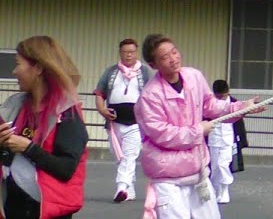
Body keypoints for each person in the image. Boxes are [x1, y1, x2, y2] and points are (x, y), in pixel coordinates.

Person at [135, 33, 263, 219]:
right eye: (165, 57)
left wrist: (241, 107)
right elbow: (162, 134)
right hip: (168, 177)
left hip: (198, 172)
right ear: (153, 65)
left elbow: (211, 106)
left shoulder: (193, 77)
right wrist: (198, 131)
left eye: (174, 52)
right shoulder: (149, 96)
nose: (173, 59)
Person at [0, 36, 88, 219]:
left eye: (18, 64)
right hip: (13, 208)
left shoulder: (67, 114)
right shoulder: (14, 108)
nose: (14, 71)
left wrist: (28, 148)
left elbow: (65, 170)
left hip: (47, 212)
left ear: (38, 68)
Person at [94, 37, 153, 203]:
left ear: (136, 53)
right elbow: (100, 94)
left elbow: (154, 94)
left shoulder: (146, 72)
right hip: (114, 122)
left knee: (129, 155)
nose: (128, 55)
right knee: (119, 155)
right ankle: (130, 188)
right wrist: (102, 110)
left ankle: (121, 187)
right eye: (125, 52)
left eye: (132, 52)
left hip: (135, 122)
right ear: (120, 53)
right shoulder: (111, 71)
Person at [208, 80, 247, 206]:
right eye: (217, 96)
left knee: (223, 164)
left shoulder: (234, 103)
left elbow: (239, 123)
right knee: (214, 167)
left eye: (222, 96)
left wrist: (242, 140)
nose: (220, 98)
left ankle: (225, 189)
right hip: (213, 137)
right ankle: (215, 190)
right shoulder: (209, 103)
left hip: (229, 138)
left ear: (227, 92)